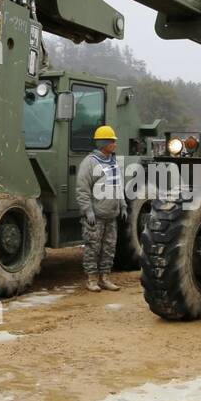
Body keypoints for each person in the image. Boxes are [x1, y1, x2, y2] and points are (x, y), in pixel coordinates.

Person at [76, 125, 125, 292]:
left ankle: (105, 278)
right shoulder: (89, 163)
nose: (115, 144)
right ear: (103, 143)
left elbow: (118, 185)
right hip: (96, 216)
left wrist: (123, 205)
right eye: (112, 141)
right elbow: (83, 189)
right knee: (93, 247)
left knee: (109, 248)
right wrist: (87, 210)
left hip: (111, 215)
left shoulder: (113, 162)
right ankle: (91, 279)